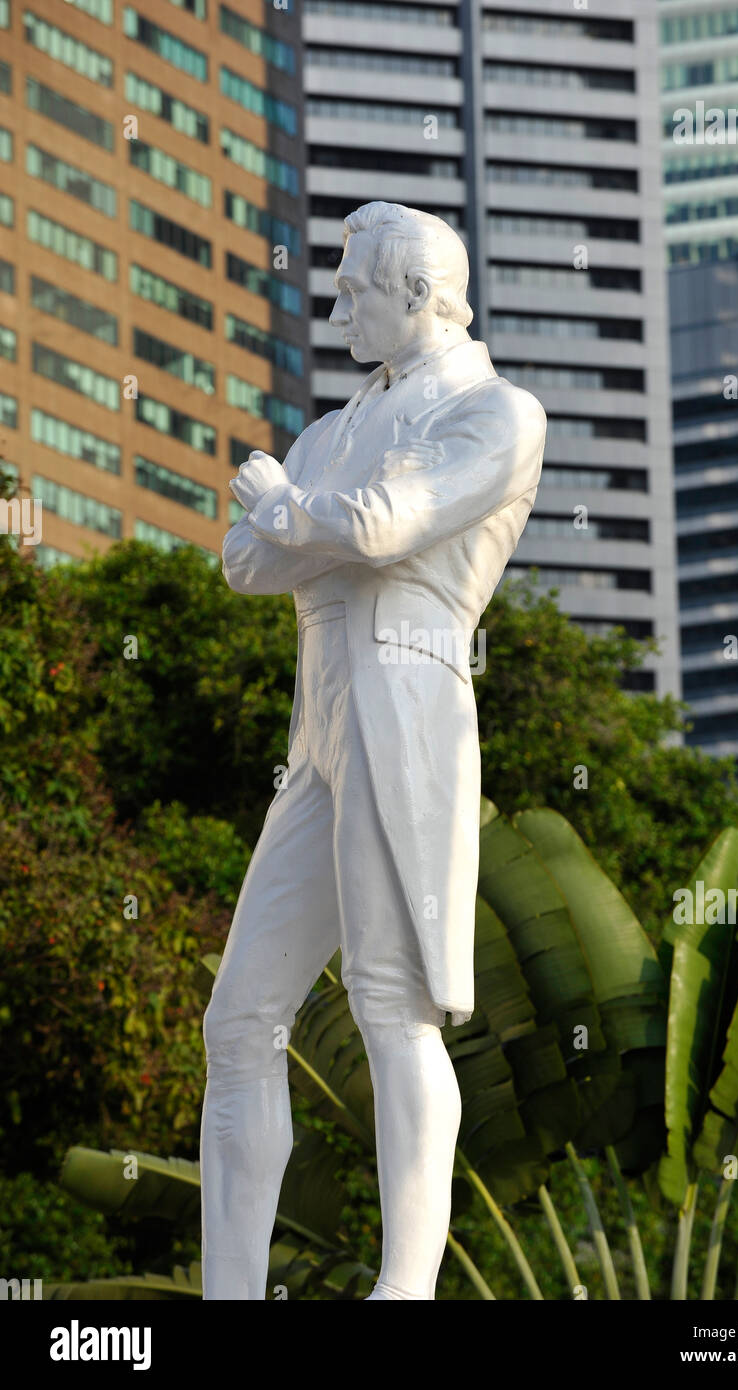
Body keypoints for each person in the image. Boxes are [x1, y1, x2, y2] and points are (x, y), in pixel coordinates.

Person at [201, 201, 546, 1300]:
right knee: (239, 1019)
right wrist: (307, 520)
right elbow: (242, 564)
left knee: (392, 1003)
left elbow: (386, 526)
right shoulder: (336, 427)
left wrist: (293, 513)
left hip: (409, 706)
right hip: (321, 732)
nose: (336, 299)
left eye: (354, 285)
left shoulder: (496, 411)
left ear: (414, 292)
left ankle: (404, 1290)